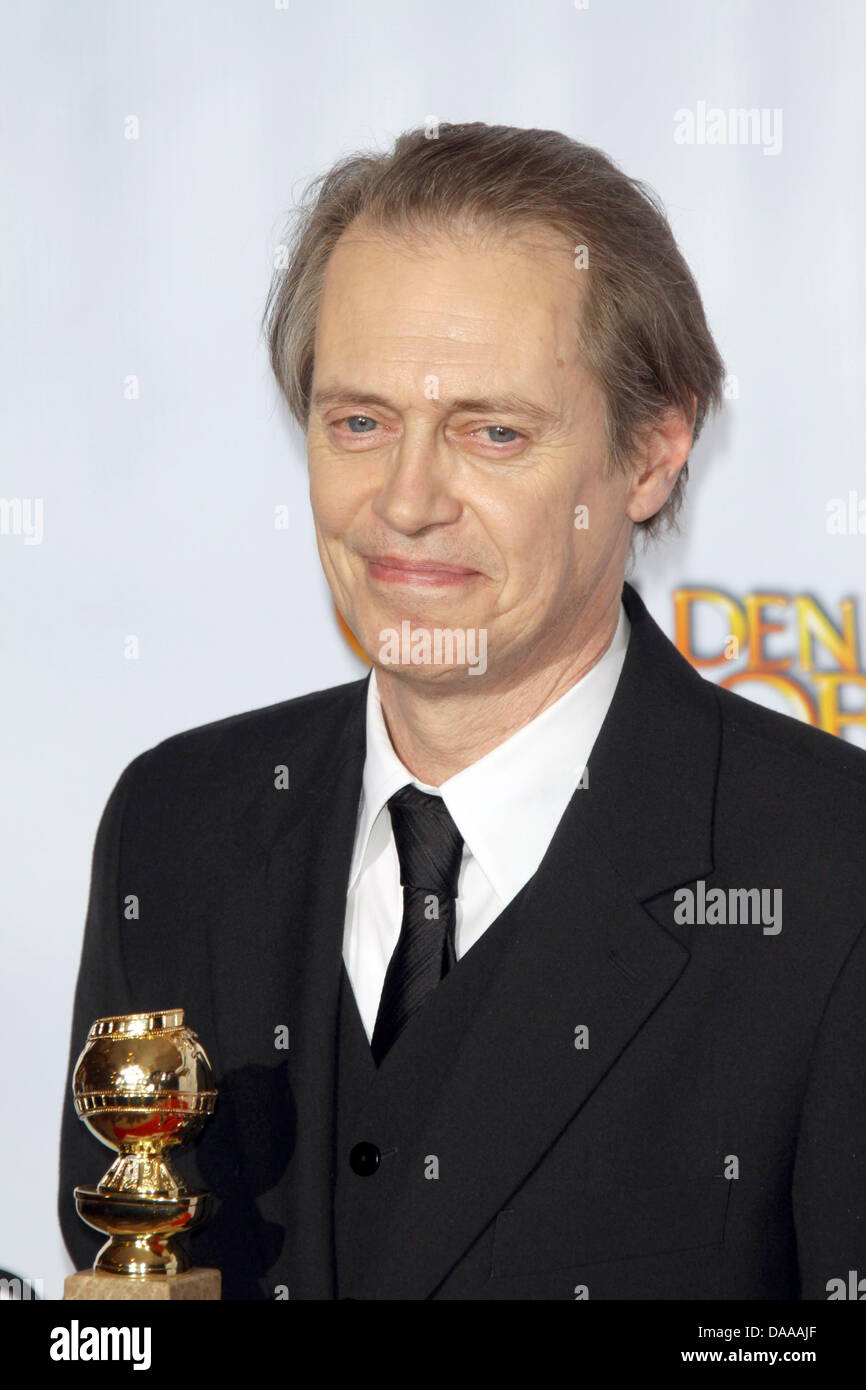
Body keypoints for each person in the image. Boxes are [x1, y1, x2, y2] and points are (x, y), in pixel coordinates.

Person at [59, 122, 866, 1300]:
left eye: (491, 431)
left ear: (650, 451)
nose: (406, 500)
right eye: (358, 422)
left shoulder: (828, 869)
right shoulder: (177, 826)